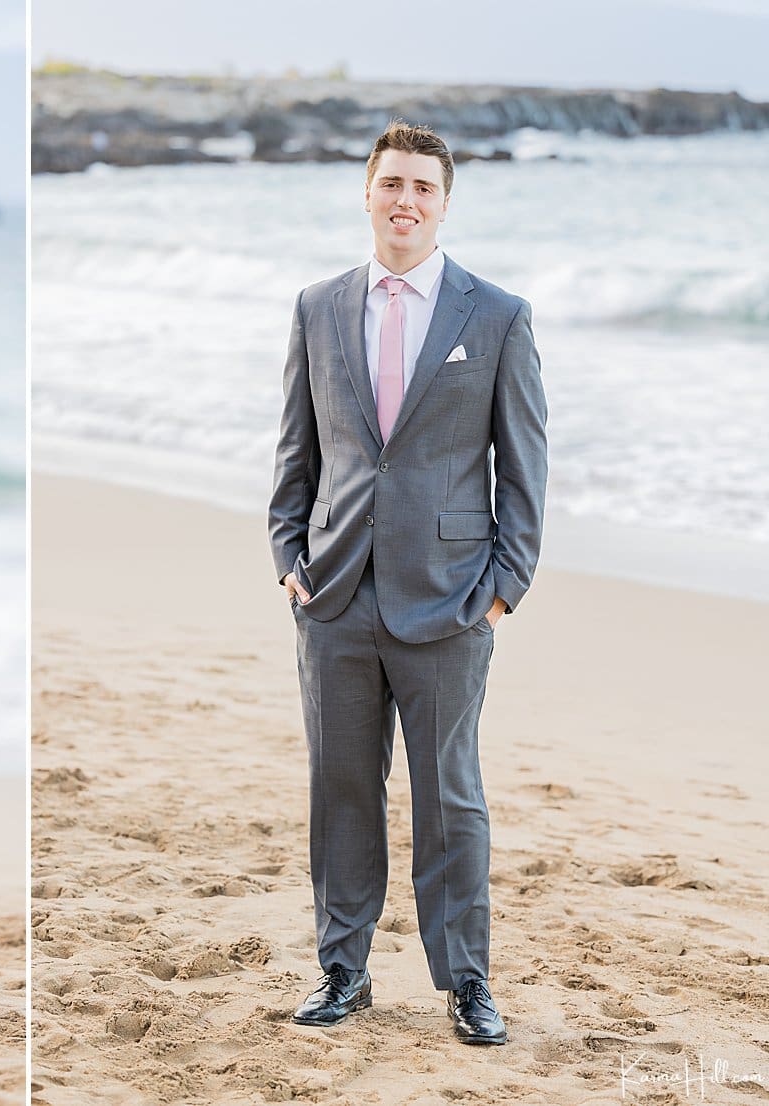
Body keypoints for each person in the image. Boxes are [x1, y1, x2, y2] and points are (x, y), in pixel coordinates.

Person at [268, 119, 547, 1044]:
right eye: (391, 183)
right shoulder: (317, 306)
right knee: (342, 788)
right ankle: (342, 972)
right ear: (366, 192)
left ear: (444, 203)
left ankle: (466, 980)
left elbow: (525, 463)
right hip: (335, 596)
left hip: (452, 599)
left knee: (450, 796)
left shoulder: (496, 314)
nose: (405, 201)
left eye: (423, 188)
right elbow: (296, 454)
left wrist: (505, 583)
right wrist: (288, 561)